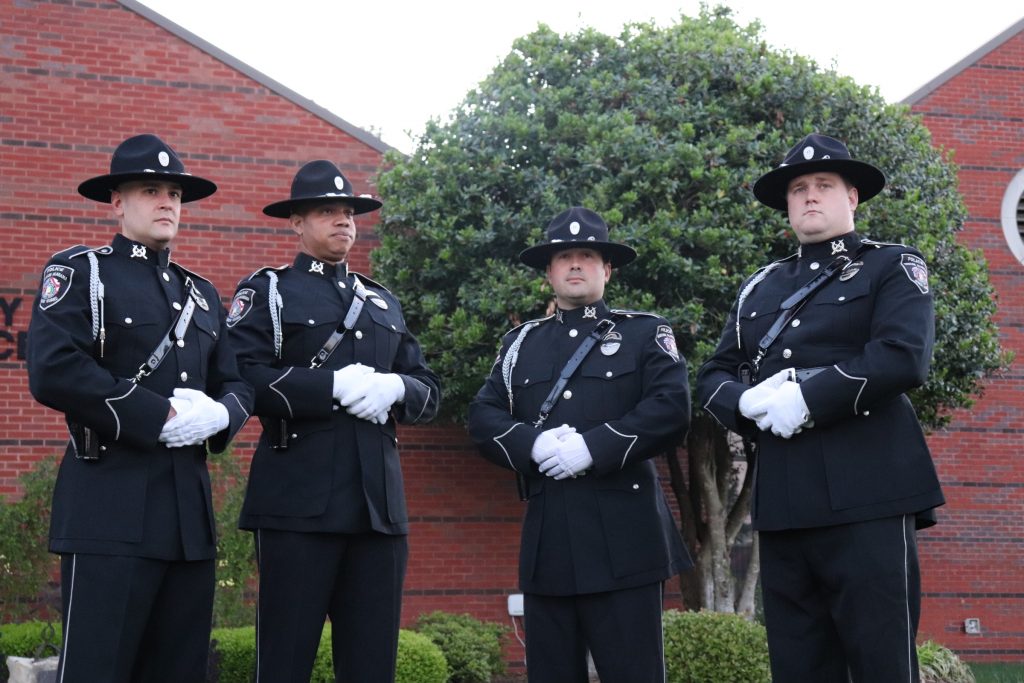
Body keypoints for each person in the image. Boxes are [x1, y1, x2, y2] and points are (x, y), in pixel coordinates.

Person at [696, 133, 945, 682]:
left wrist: (808, 398)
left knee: (882, 663)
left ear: (851, 198)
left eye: (824, 186)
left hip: (869, 493)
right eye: (799, 189)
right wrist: (747, 401)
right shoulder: (759, 287)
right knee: (799, 664)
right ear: (787, 205)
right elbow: (713, 375)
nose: (810, 196)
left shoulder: (891, 265)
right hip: (786, 500)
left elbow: (903, 356)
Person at [26, 133, 253, 682]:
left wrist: (221, 415)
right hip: (109, 508)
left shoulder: (200, 293)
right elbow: (55, 367)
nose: (166, 203)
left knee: (179, 671)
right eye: (150, 190)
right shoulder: (84, 273)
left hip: (186, 521)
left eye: (174, 193)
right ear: (117, 201)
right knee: (97, 670)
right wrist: (162, 418)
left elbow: (237, 381)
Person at [225, 159, 440, 682]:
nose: (343, 220)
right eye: (327, 211)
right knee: (285, 660)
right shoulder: (270, 292)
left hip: (377, 510)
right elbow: (244, 376)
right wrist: (331, 387)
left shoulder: (382, 301)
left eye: (348, 212)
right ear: (296, 222)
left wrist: (396, 388)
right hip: (298, 506)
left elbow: (428, 390)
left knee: (372, 666)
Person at [467, 207, 692, 683]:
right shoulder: (519, 345)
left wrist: (594, 447)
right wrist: (532, 445)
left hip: (626, 541)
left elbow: (671, 407)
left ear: (606, 269)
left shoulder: (644, 333)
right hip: (550, 542)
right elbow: (483, 416)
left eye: (586, 255)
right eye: (563, 257)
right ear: (548, 272)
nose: (574, 264)